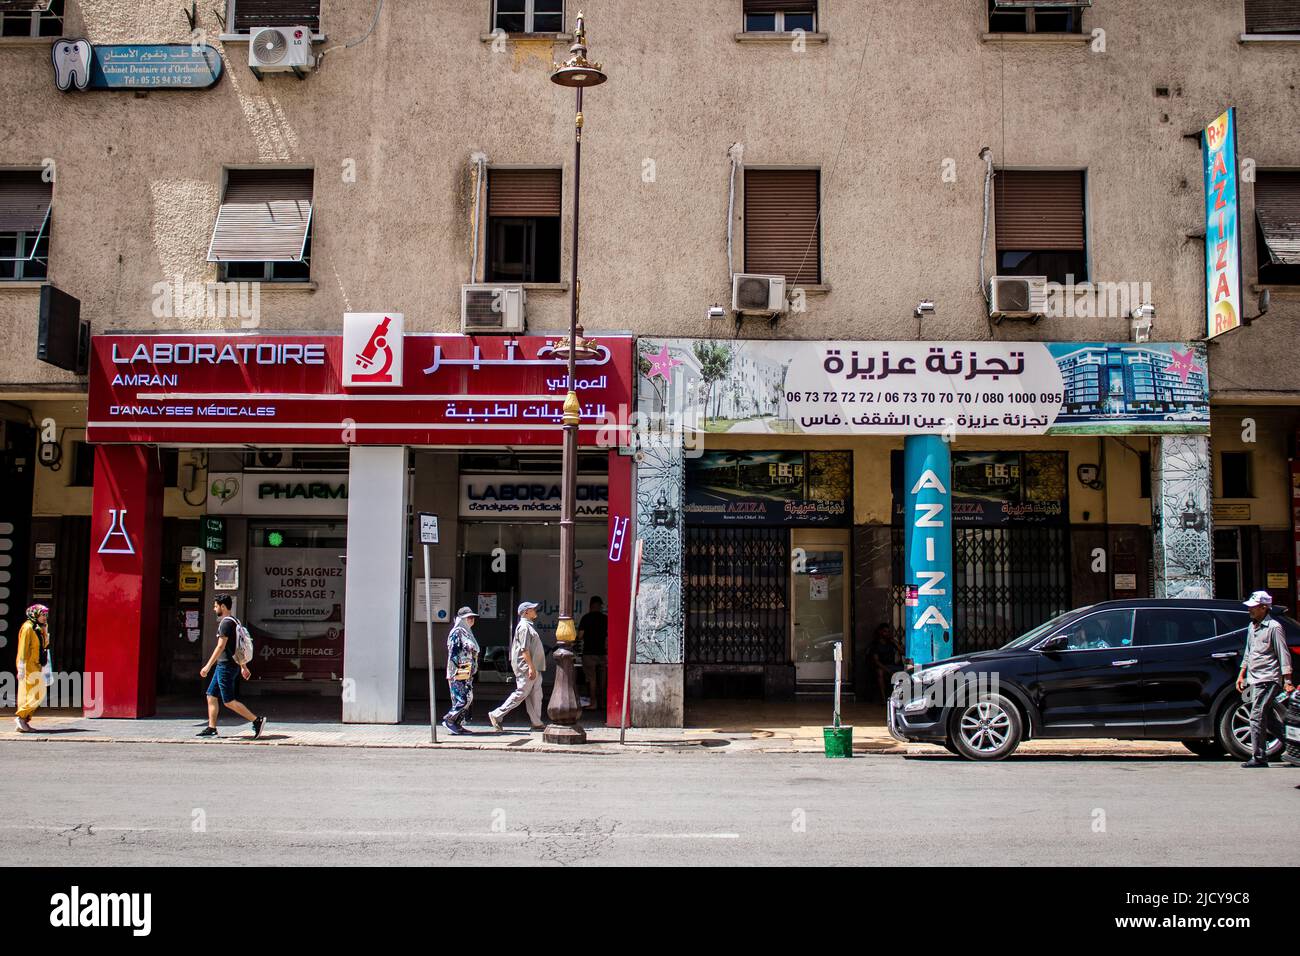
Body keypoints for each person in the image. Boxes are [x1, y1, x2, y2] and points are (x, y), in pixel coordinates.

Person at [1236, 590, 1294, 768]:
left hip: (1268, 678)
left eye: (1253, 607)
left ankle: (1259, 757)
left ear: (1263, 607)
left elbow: (1283, 654)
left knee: (1256, 716)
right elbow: (1249, 651)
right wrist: (1242, 673)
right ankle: (1293, 745)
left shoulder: (1274, 627)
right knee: (1267, 717)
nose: (1250, 610)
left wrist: (1288, 680)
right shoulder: (1252, 627)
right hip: (1255, 678)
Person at [198, 596, 266, 739]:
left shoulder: (225, 624)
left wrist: (208, 666)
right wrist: (243, 666)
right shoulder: (235, 621)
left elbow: (221, 646)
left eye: (216, 606)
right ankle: (212, 728)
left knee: (228, 701)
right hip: (227, 665)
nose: (214, 608)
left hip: (226, 666)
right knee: (211, 695)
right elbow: (237, 648)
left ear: (223, 607)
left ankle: (257, 720)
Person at [489, 602, 546, 732]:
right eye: (532, 609)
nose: (535, 610)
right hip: (527, 667)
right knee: (522, 693)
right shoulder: (524, 627)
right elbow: (524, 650)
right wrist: (530, 667)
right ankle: (497, 714)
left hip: (533, 667)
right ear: (526, 612)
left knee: (536, 695)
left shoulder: (528, 626)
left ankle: (536, 722)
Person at [443, 607, 480, 736]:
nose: (472, 620)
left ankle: (457, 724)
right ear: (462, 619)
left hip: (466, 670)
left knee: (467, 697)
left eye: (473, 617)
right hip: (458, 670)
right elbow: (454, 652)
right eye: (469, 617)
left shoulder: (467, 632)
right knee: (463, 698)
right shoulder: (457, 632)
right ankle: (450, 719)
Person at [14, 604, 50, 733]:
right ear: (35, 614)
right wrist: (21, 667)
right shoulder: (28, 627)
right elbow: (23, 647)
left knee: (33, 694)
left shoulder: (38, 628)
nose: (45, 617)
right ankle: (21, 717)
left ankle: (23, 720)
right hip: (28, 665)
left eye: (46, 615)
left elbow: (45, 646)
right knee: (36, 693)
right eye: (42, 614)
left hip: (37, 665)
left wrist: (45, 632)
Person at [578, 596, 608, 712]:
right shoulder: (605, 619)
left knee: (592, 680)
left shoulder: (586, 618)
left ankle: (593, 703)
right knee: (602, 680)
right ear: (600, 606)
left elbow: (580, 636)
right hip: (602, 653)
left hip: (589, 653)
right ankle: (603, 703)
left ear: (590, 606)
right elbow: (608, 636)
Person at [869, 623, 902, 703]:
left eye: (888, 632)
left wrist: (895, 642)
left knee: (906, 670)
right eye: (884, 632)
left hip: (892, 665)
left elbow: (902, 651)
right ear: (880, 632)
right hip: (882, 667)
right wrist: (887, 670)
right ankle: (883, 699)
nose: (886, 634)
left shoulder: (891, 643)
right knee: (880, 672)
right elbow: (876, 661)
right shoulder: (875, 645)